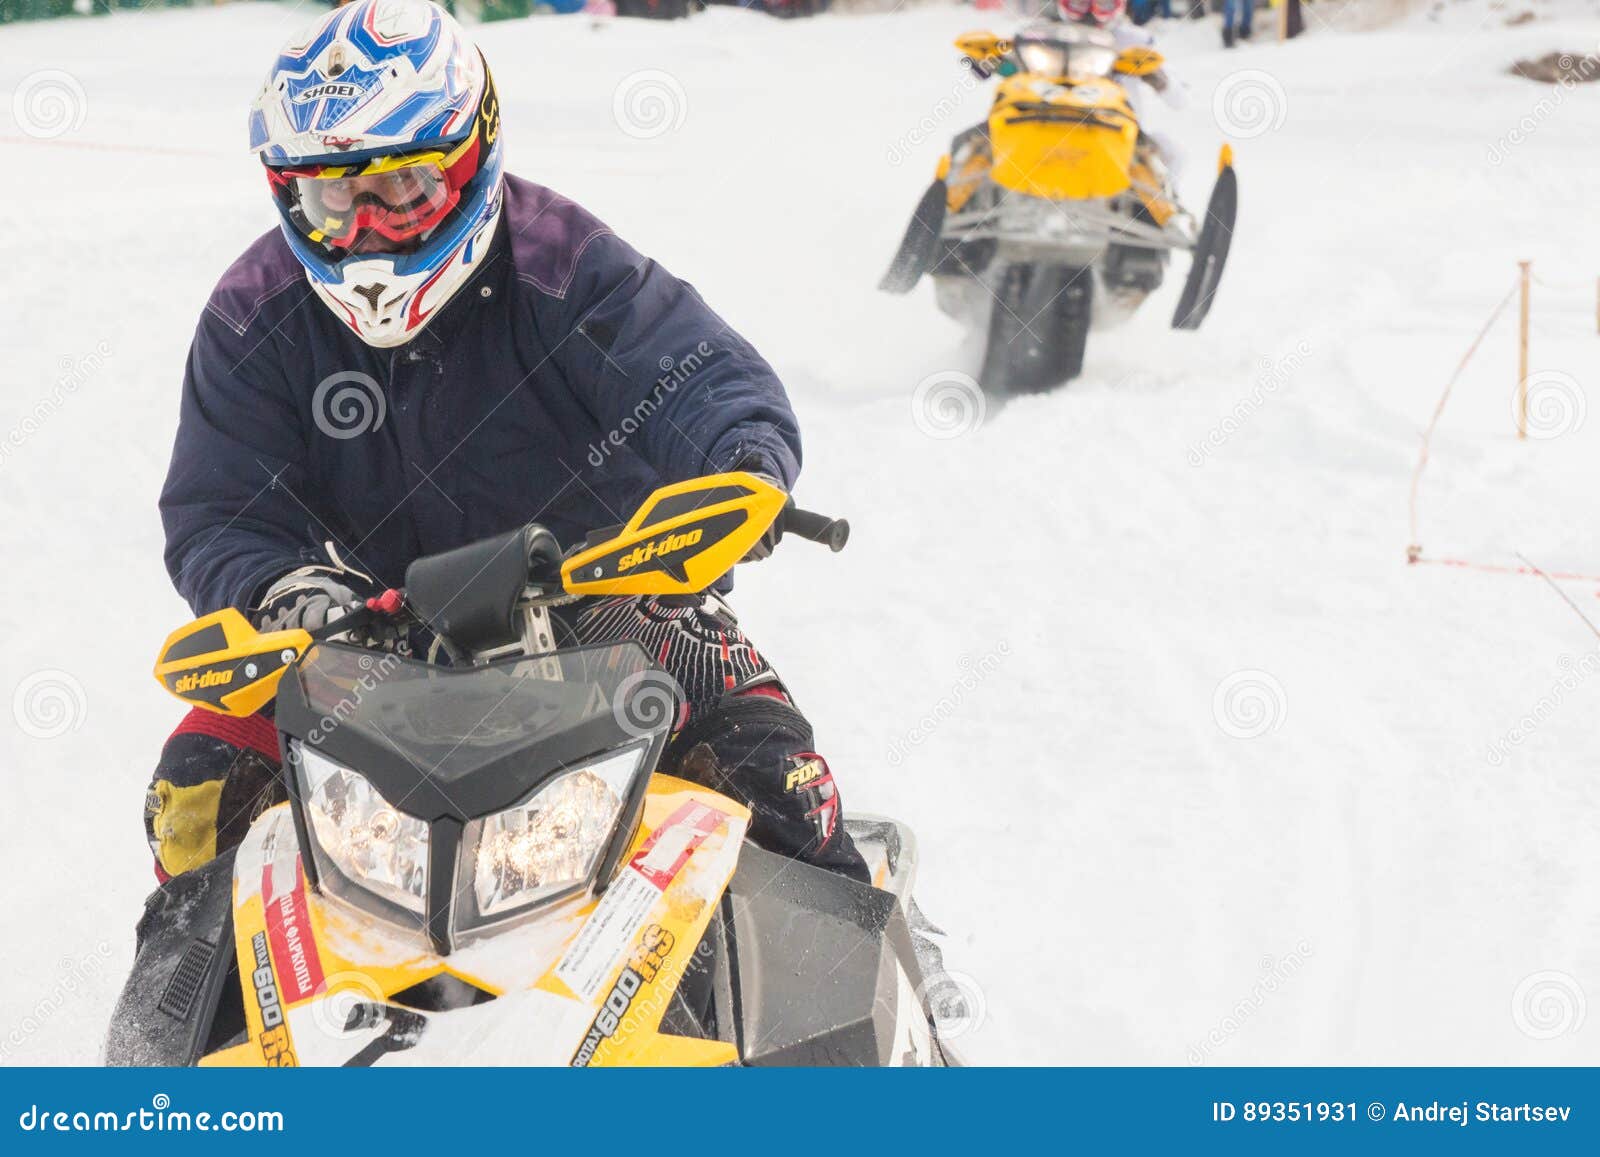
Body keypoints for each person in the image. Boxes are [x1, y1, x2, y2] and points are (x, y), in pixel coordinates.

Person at [146, 0, 868, 889]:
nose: (366, 226)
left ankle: (884, 959)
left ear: (471, 157)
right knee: (195, 789)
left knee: (772, 772)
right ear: (288, 190)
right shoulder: (254, 313)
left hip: (607, 601)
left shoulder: (563, 262)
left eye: (403, 188)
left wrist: (742, 469)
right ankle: (198, 1019)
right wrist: (286, 591)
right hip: (375, 637)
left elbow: (699, 373)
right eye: (335, 196)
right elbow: (220, 508)